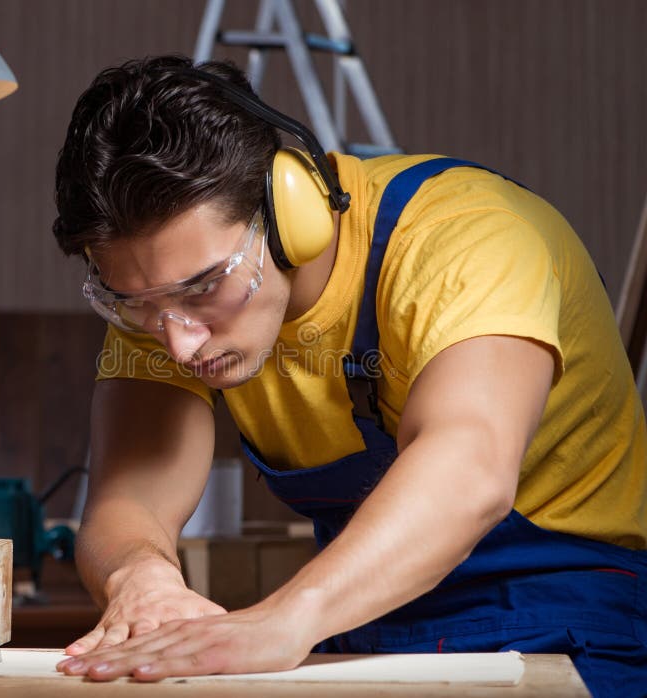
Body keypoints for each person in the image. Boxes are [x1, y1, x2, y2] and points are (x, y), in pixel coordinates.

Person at [50, 55, 647, 696]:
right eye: (135, 303)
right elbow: (129, 499)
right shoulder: (163, 305)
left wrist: (288, 617)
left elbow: (470, 469)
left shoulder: (473, 237)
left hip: (566, 620)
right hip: (361, 632)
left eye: (205, 289)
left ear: (291, 214)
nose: (178, 341)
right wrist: (140, 578)